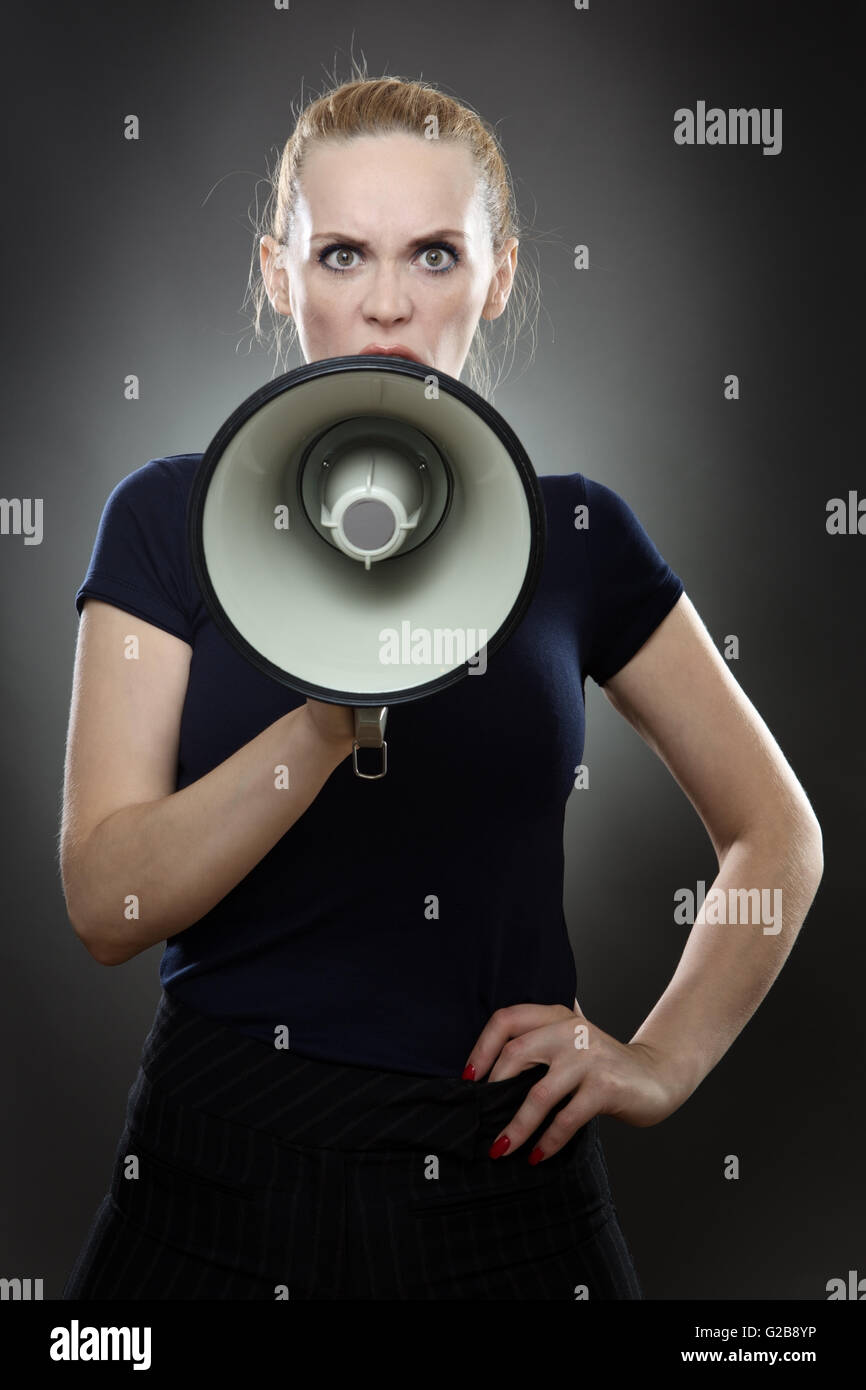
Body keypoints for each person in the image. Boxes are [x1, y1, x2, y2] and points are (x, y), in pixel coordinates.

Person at [59, 70, 823, 1302]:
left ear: (498, 275)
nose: (383, 307)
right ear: (276, 272)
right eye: (343, 253)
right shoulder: (164, 518)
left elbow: (774, 833)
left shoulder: (575, 532)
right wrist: (324, 714)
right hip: (219, 1162)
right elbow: (106, 901)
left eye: (431, 256)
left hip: (503, 1172)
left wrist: (661, 1060)